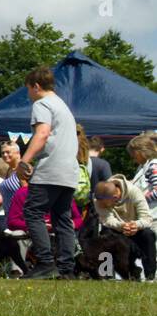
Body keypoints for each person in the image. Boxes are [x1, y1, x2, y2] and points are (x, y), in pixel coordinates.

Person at [16, 66, 80, 279]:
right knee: (62, 218)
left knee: (33, 212)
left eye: (28, 90)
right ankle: (66, 268)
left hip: (50, 168)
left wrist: (24, 160)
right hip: (69, 171)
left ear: (35, 86)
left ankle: (44, 262)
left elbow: (42, 134)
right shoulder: (63, 106)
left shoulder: (42, 104)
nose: (28, 95)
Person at [91, 175, 156, 281]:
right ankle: (107, 275)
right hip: (116, 229)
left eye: (104, 204)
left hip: (136, 229)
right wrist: (122, 226)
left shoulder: (134, 192)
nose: (100, 205)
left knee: (148, 235)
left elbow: (146, 218)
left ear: (115, 198)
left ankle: (150, 276)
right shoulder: (99, 198)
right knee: (105, 234)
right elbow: (107, 220)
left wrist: (136, 225)